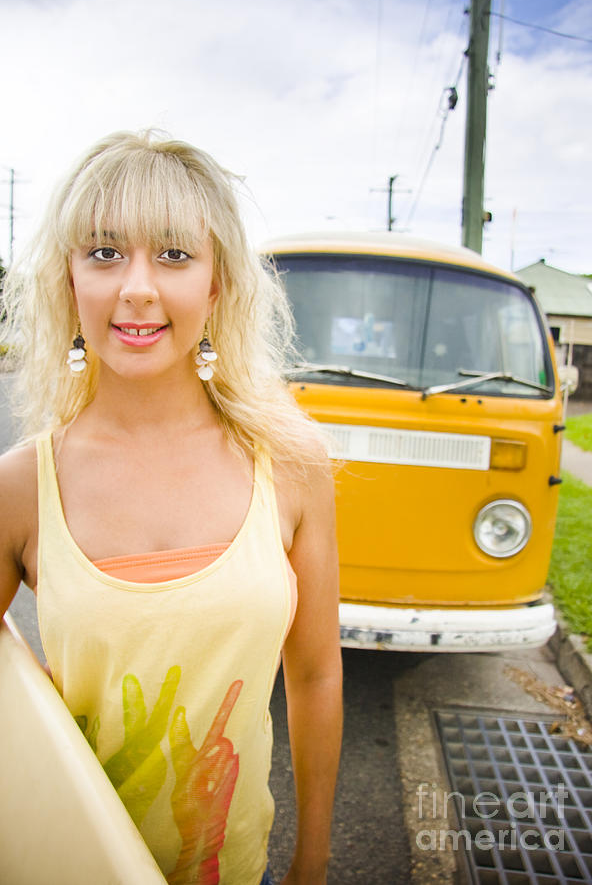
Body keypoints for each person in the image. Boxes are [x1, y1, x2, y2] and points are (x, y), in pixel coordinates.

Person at [0, 131, 343, 885]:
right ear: (68, 280)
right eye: (104, 253)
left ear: (218, 285)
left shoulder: (291, 465)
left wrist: (312, 863)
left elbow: (317, 675)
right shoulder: (21, 486)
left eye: (174, 255)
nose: (137, 287)